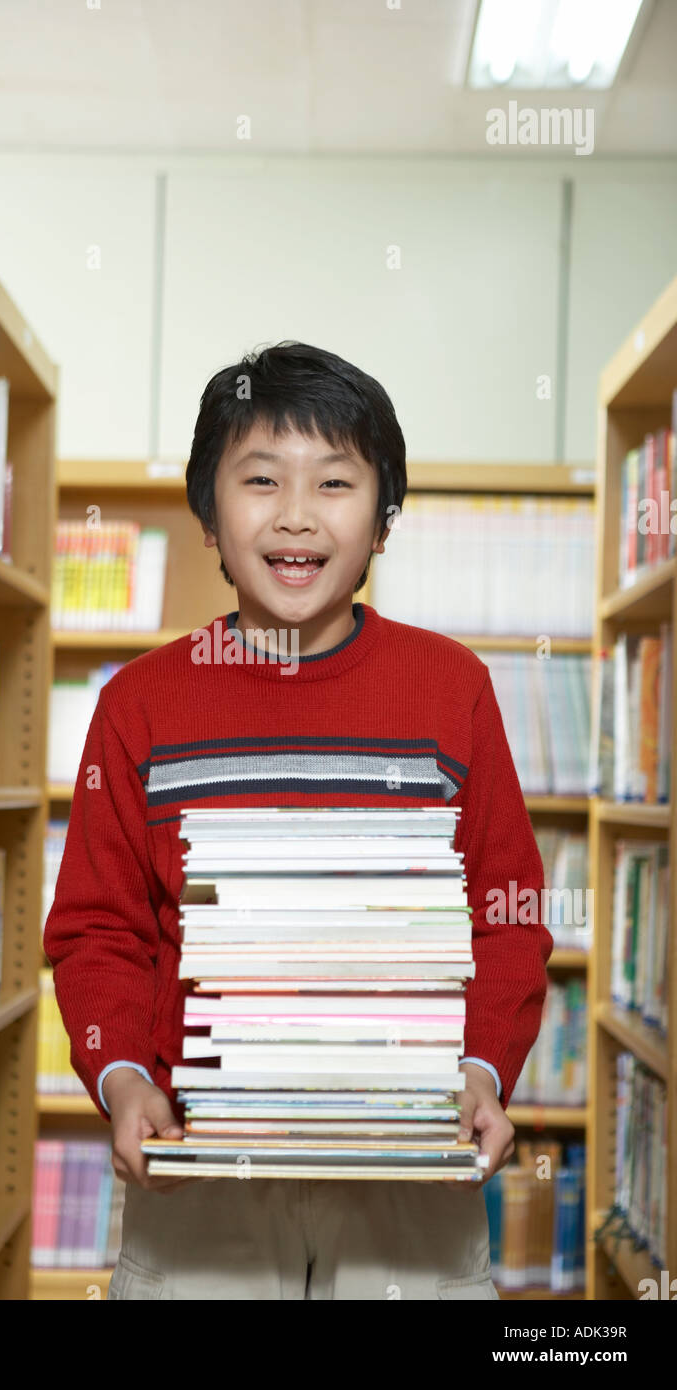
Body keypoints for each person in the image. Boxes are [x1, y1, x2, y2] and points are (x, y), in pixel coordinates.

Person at [43, 342, 552, 1300]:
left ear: (384, 522)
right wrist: (122, 1080)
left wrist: (484, 1068)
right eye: (261, 479)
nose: (296, 515)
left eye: (336, 482)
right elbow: (96, 928)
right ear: (209, 513)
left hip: (411, 1153)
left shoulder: (453, 691)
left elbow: (509, 911)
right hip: (201, 1159)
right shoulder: (140, 705)